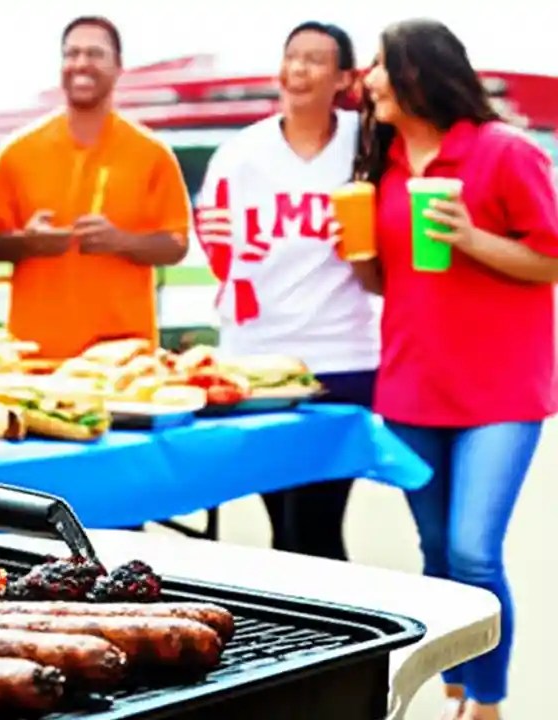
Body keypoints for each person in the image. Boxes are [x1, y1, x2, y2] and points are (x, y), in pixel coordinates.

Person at [353, 19, 558, 720]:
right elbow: (390, 281)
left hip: (503, 390)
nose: (369, 80)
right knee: (437, 551)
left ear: (419, 71)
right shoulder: (381, 165)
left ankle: (487, 700)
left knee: (473, 551)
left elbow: (550, 258)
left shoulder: (504, 152)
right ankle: (457, 684)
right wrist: (358, 257)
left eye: (380, 65)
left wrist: (470, 238)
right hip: (412, 385)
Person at [193, 22, 375, 562]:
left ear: (344, 78)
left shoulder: (366, 144)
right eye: (292, 56)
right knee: (282, 527)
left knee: (316, 522)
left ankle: (340, 616)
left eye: (315, 60)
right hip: (258, 363)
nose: (298, 69)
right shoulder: (240, 154)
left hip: (342, 359)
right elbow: (219, 252)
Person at [0, 16, 190, 358]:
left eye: (95, 54)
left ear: (119, 67)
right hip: (36, 356)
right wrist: (29, 242)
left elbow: (177, 244)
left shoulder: (152, 154)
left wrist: (121, 241)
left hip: (123, 357)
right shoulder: (16, 153)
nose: (81, 63)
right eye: (72, 54)